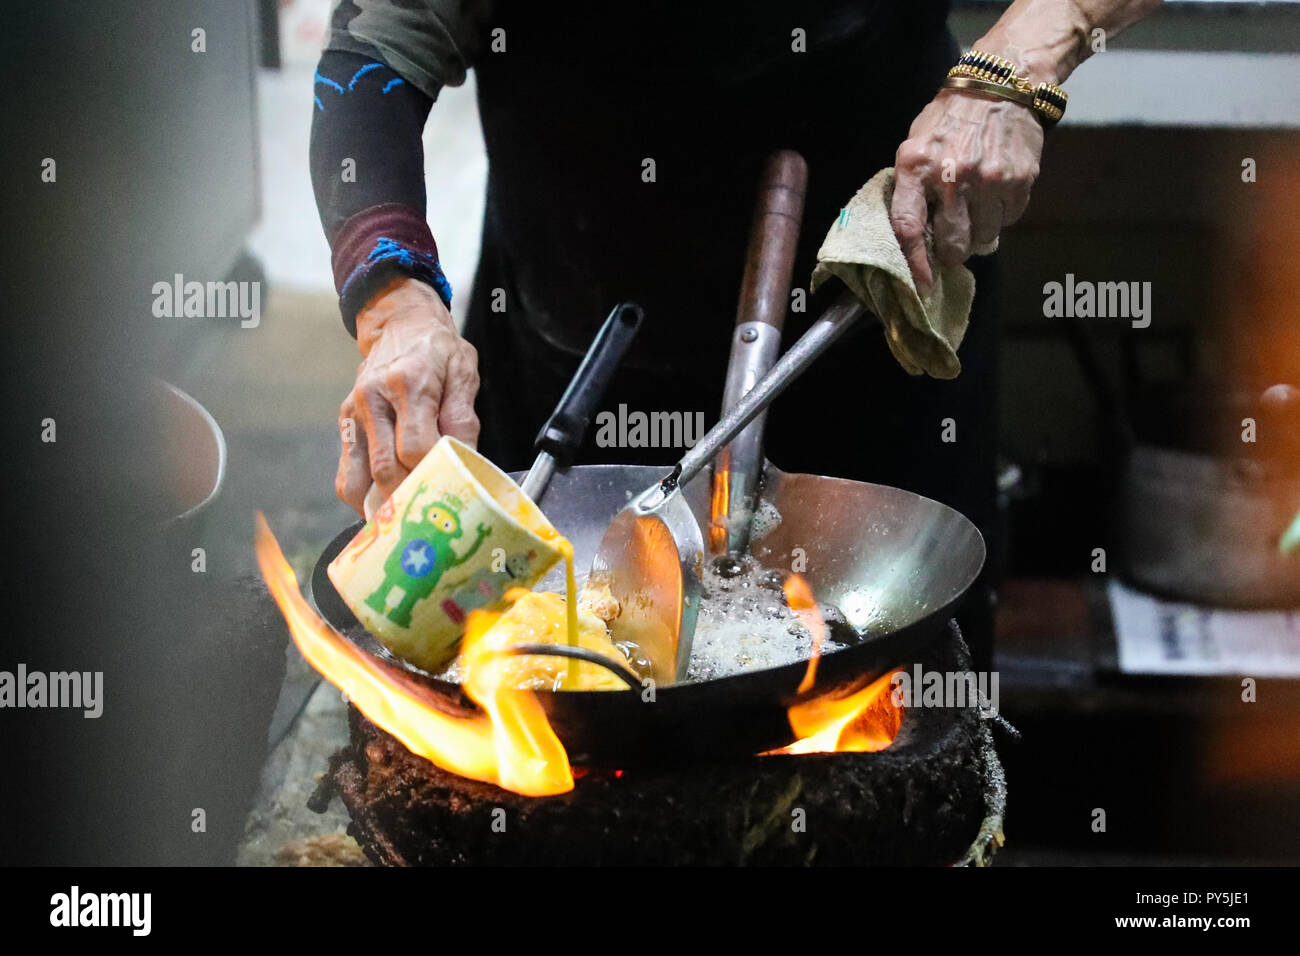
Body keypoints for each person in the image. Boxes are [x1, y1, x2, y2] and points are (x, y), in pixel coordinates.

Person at [310, 0, 1161, 665]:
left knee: (892, 691)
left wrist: (1013, 70)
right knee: (543, 688)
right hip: (583, 331)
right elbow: (375, 51)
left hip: (872, 314)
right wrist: (397, 309)